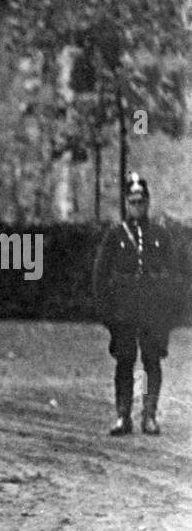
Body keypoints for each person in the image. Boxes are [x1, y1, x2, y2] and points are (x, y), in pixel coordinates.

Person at [92, 172, 187, 436]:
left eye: (141, 201)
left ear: (148, 202)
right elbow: (100, 276)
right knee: (124, 362)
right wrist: (106, 313)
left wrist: (169, 312)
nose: (137, 206)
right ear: (126, 203)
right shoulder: (115, 235)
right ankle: (123, 415)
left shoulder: (160, 234)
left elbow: (174, 275)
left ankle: (148, 414)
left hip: (151, 312)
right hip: (123, 312)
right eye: (132, 201)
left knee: (150, 363)